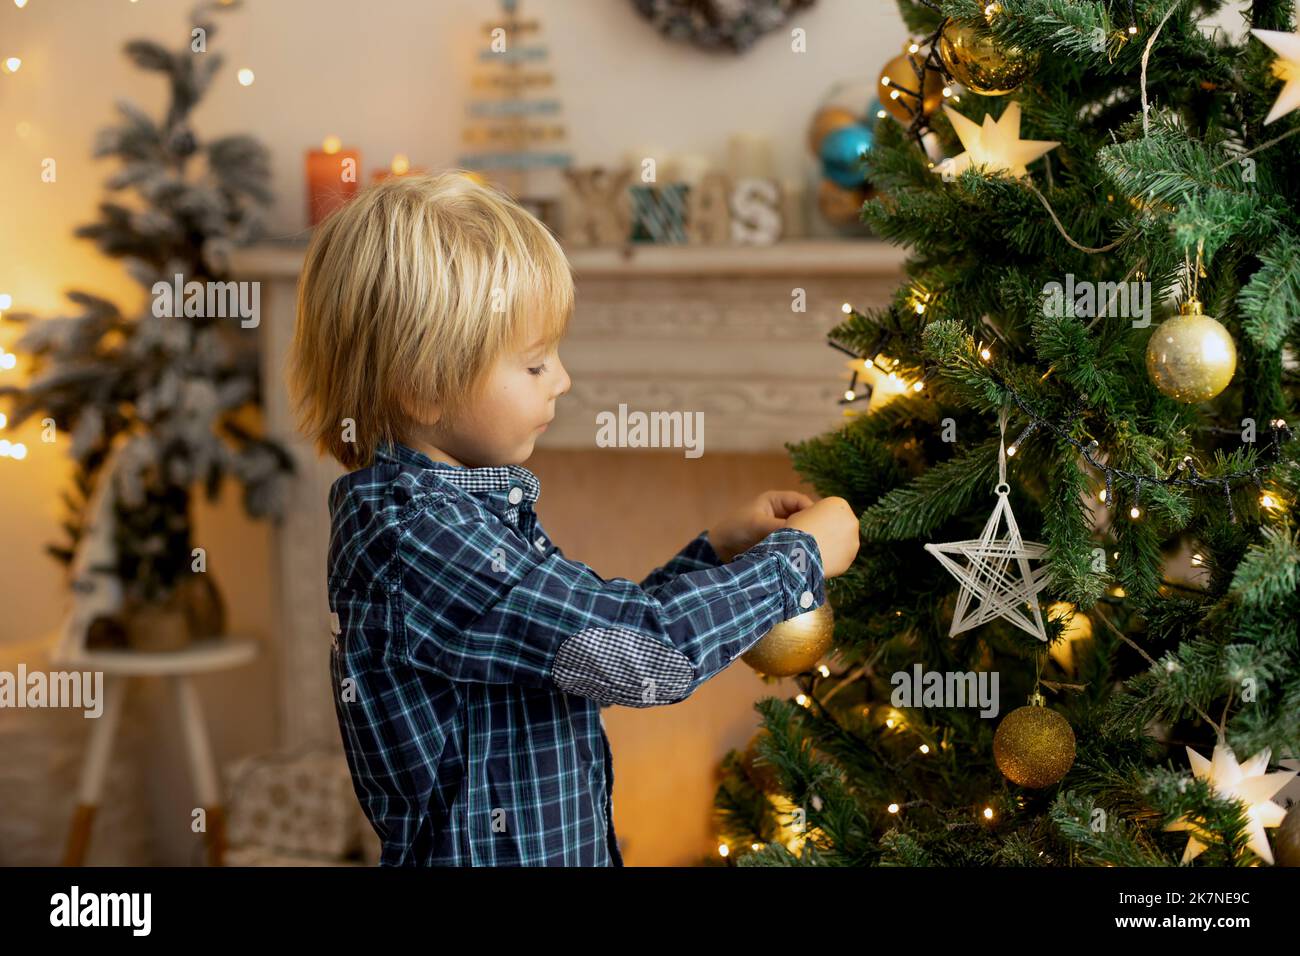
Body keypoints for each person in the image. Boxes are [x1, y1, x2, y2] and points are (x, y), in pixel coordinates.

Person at [286, 170, 860, 865]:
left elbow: (579, 649)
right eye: (533, 365)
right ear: (425, 387)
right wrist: (798, 558)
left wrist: (716, 548)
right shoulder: (422, 538)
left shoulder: (454, 512)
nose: (563, 379)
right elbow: (638, 657)